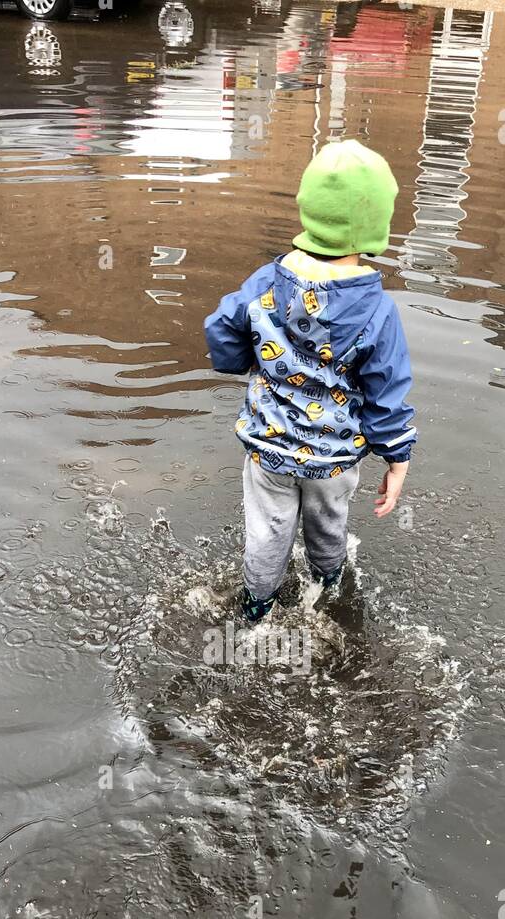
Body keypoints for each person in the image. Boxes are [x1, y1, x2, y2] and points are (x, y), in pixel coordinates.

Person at [204, 139, 416, 622]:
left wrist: (247, 361)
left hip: (269, 448)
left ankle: (257, 607)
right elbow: (386, 394)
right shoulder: (378, 311)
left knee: (267, 531)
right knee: (329, 525)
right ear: (373, 226)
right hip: (335, 456)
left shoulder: (264, 283)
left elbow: (220, 329)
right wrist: (397, 458)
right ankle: (326, 591)